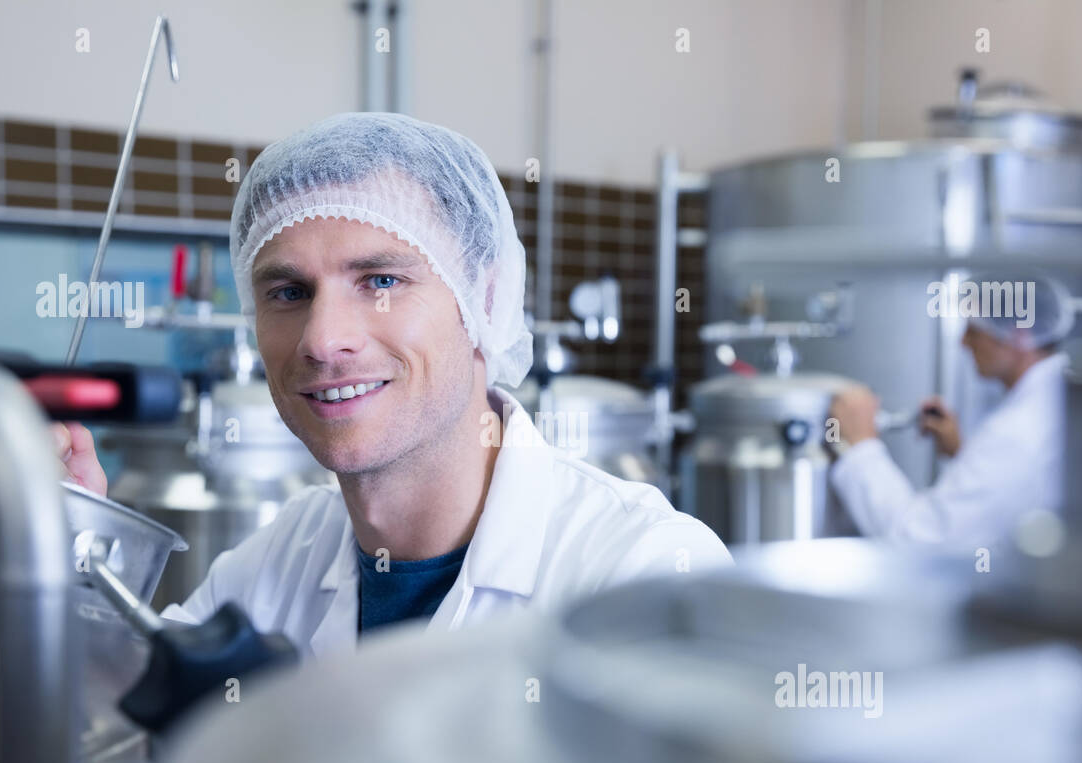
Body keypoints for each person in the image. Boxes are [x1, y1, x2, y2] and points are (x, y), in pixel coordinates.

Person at [52, 112, 731, 657]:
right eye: (289, 291)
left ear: (484, 299)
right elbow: (116, 730)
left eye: (381, 281)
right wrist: (61, 539)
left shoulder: (646, 573)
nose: (323, 339)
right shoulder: (278, 563)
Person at [826, 272, 1073, 550]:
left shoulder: (1016, 432)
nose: (963, 342)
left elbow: (919, 540)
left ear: (1018, 336)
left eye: (975, 330)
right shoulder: (1056, 397)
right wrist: (964, 455)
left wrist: (861, 446)